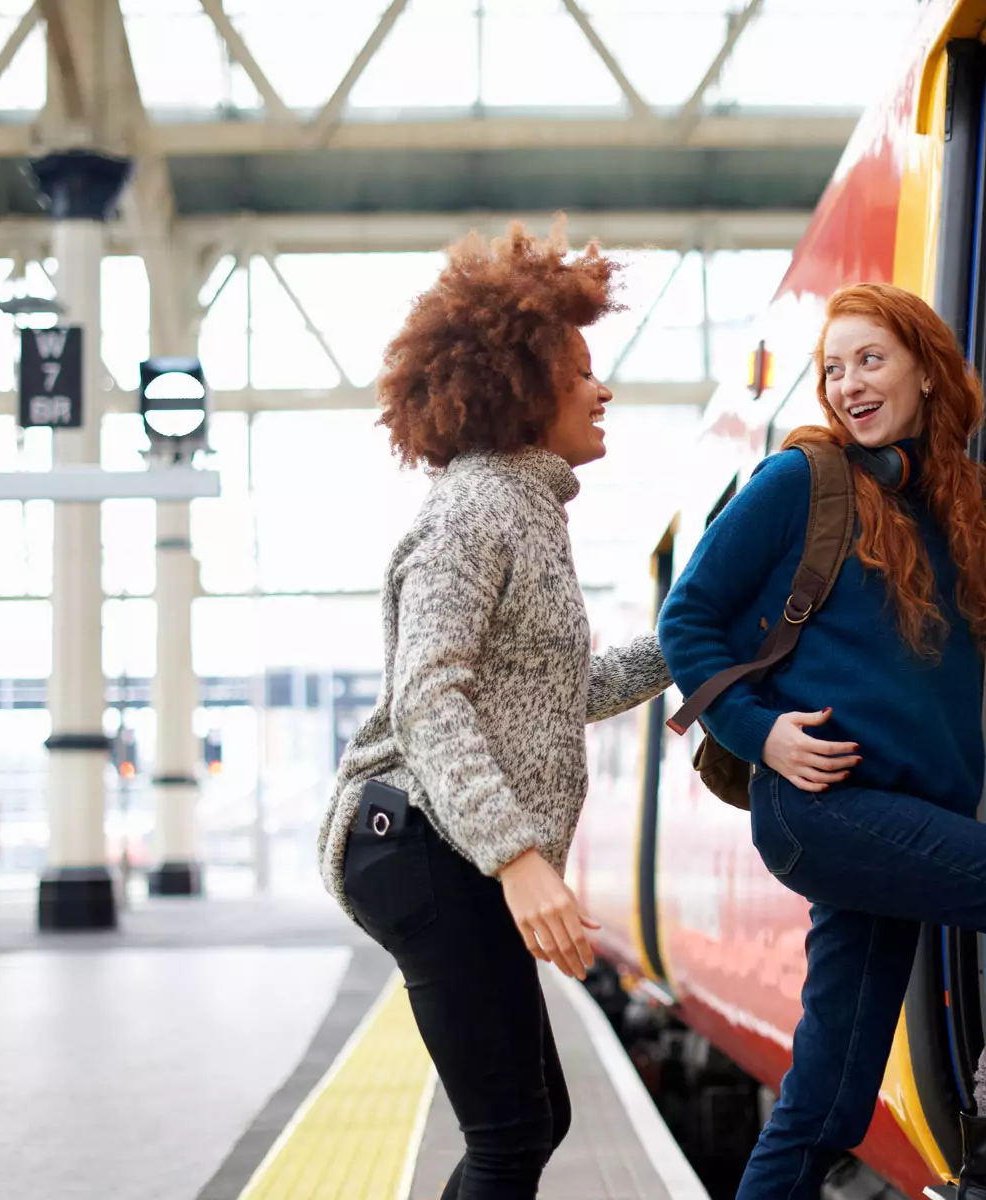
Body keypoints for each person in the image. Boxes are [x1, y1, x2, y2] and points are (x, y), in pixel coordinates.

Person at [658, 283, 986, 1200]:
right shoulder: (798, 479)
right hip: (826, 807)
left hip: (891, 818)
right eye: (833, 370)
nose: (848, 385)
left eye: (869, 360)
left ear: (924, 367)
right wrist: (762, 738)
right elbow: (688, 619)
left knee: (828, 1098)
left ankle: (982, 1153)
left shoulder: (950, 497)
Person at [318, 221, 670, 1199]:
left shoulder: (526, 511)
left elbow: (560, 692)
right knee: (511, 1134)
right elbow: (429, 697)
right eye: (579, 372)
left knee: (535, 1122)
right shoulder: (476, 512)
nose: (602, 391)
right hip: (419, 840)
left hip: (450, 842)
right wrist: (520, 861)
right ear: (520, 385)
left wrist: (695, 646)